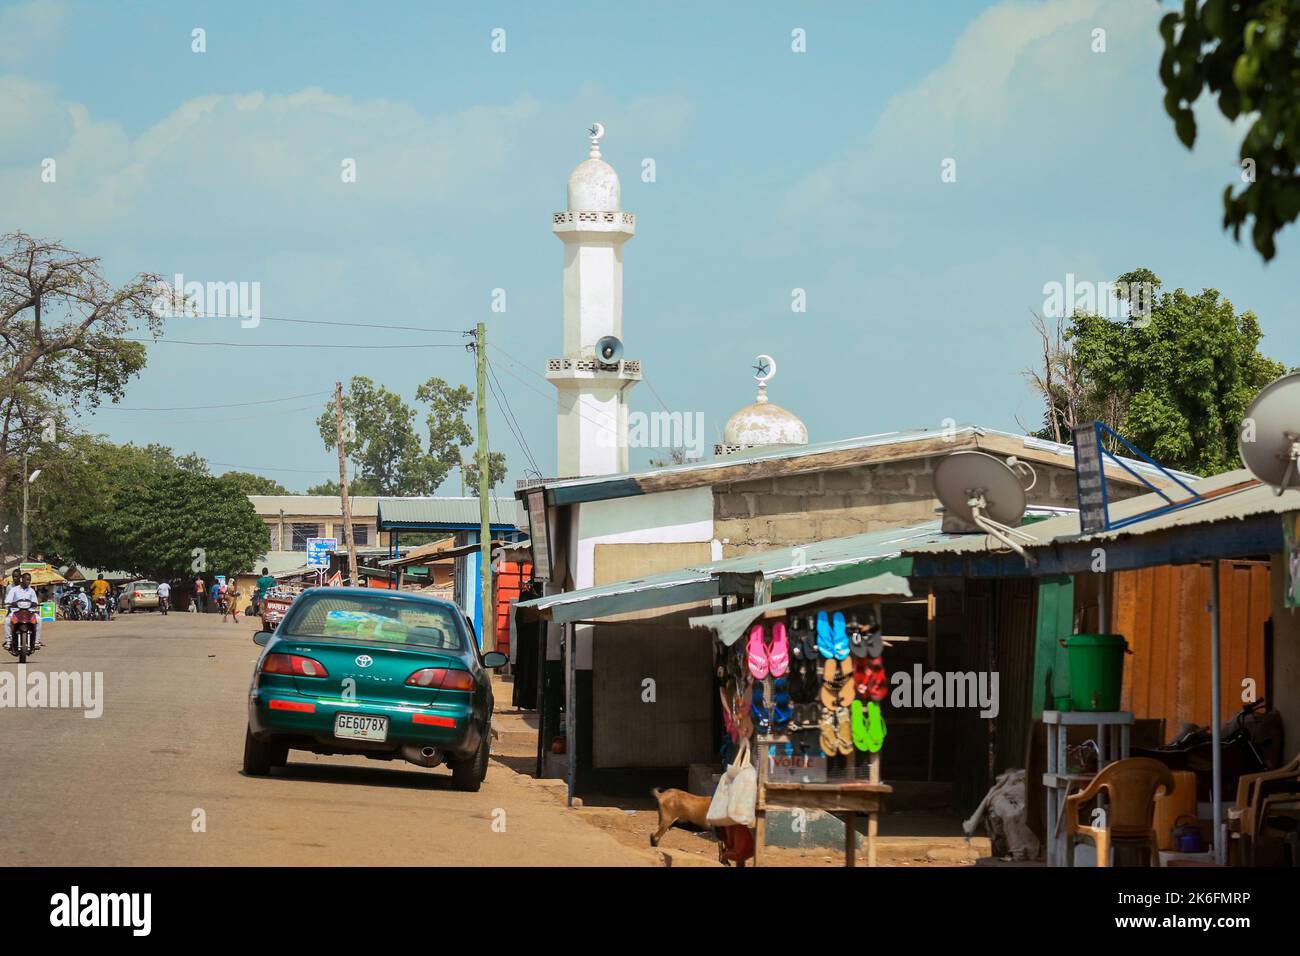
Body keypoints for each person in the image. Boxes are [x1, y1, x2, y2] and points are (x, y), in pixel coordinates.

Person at [4, 572, 43, 651]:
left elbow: (35, 602)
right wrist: (11, 603)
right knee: (7, 620)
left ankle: (36, 641)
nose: (28, 582)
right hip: (16, 612)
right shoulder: (14, 590)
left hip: (29, 612)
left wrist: (34, 604)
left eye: (29, 580)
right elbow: (7, 601)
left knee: (39, 619)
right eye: (27, 580)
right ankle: (8, 641)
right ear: (22, 579)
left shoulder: (31, 590)